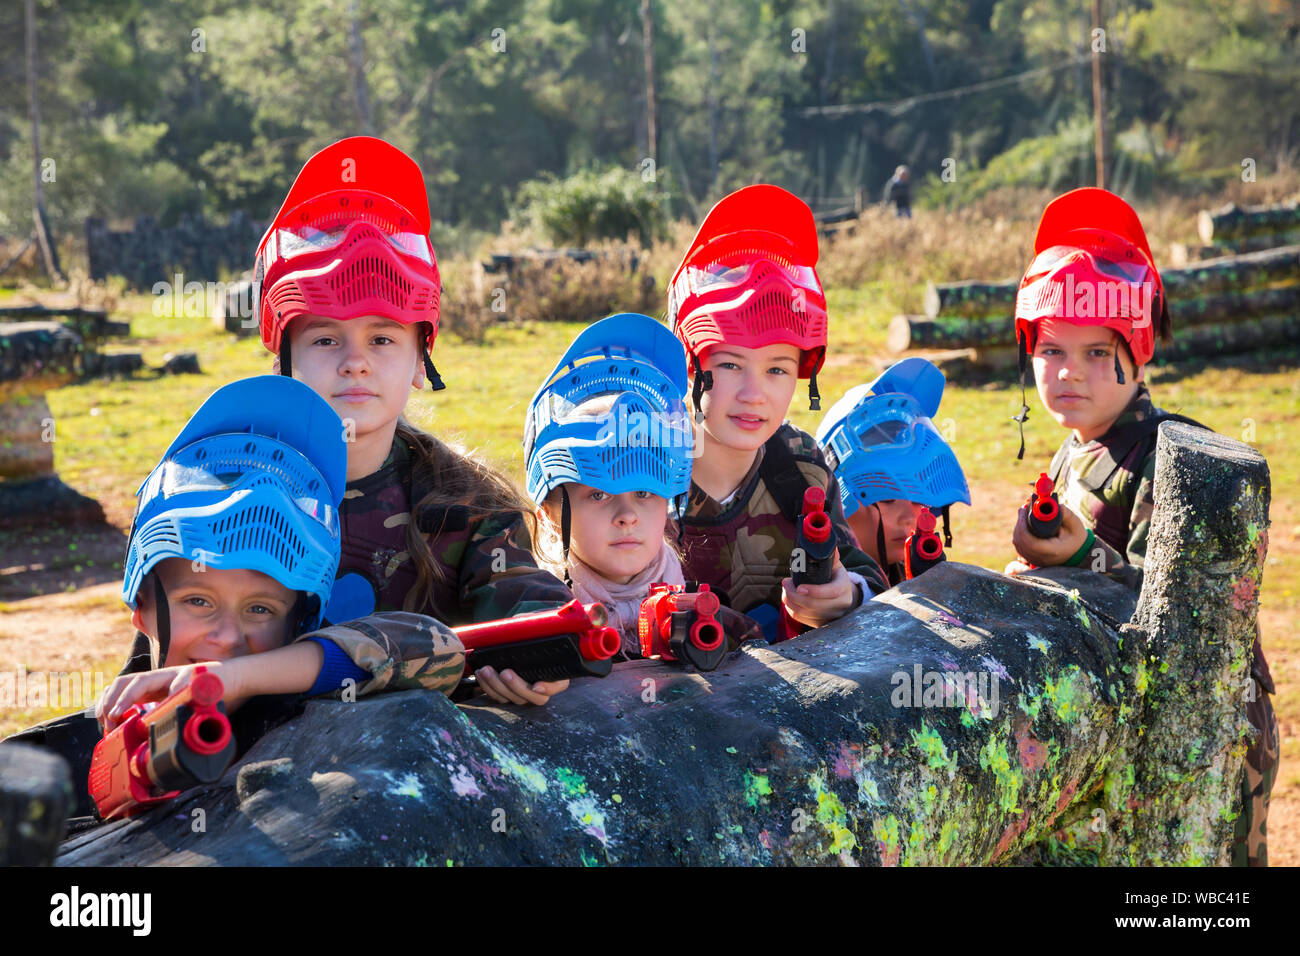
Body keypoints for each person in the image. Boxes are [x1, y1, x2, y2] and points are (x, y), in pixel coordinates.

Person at [4, 375, 465, 820]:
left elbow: (436, 648)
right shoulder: (61, 759)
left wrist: (238, 679)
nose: (227, 638)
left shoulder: (312, 707)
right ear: (142, 608)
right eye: (198, 602)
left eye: (259, 609)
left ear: (300, 622)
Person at [1006, 187, 1278, 866]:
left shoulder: (1174, 457)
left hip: (1212, 726)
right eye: (1052, 351)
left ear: (1138, 351)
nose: (1069, 372)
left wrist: (1081, 559)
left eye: (1099, 353)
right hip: (1134, 723)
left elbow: (1181, 609)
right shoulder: (1079, 446)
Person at [253, 136, 575, 708]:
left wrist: (538, 652)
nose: (355, 361)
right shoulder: (231, 495)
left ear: (421, 361)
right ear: (285, 358)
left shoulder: (468, 505)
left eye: (382, 337)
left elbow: (528, 597)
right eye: (325, 338)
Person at [667, 184, 889, 642]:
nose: (754, 395)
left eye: (777, 369)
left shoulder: (800, 464)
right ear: (692, 364)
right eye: (730, 365)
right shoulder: (646, 477)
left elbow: (868, 577)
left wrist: (846, 594)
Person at [524, 313, 762, 655]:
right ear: (548, 514)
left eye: (643, 492)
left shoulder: (712, 623)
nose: (627, 516)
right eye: (598, 494)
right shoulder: (534, 626)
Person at [816, 357, 970, 585]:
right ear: (839, 501)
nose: (909, 518)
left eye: (919, 501)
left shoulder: (912, 574)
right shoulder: (817, 585)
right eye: (887, 498)